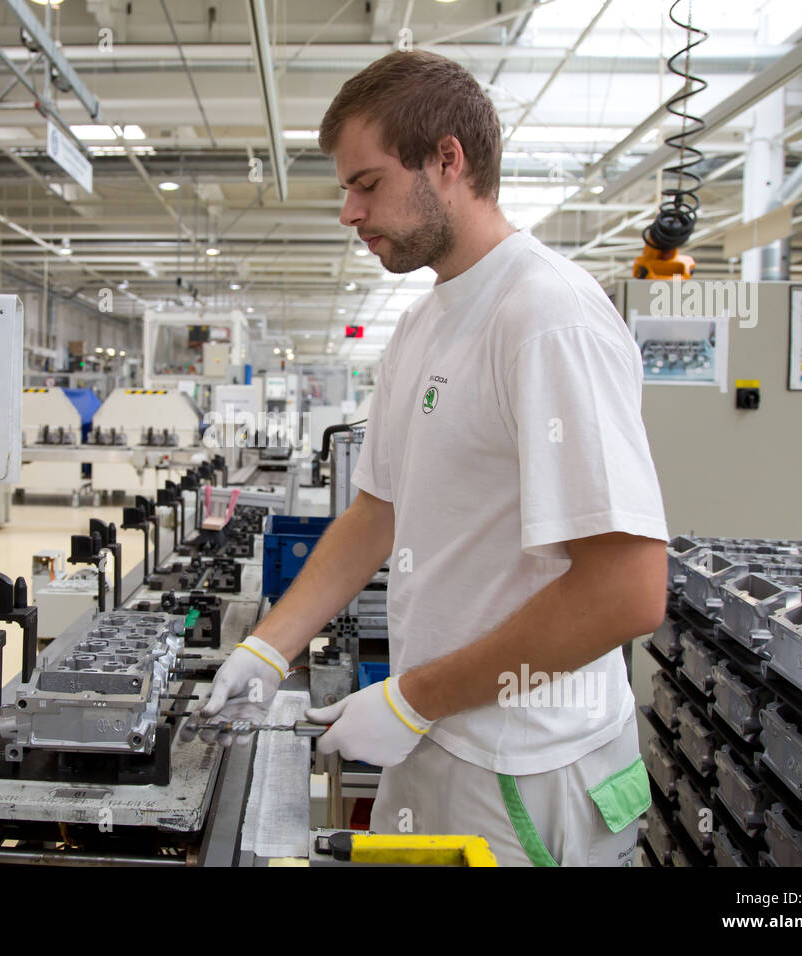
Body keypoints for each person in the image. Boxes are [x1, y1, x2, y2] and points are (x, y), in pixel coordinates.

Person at [188, 50, 669, 866]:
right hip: (436, 742)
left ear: (448, 161)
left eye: (367, 183)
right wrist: (270, 646)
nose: (349, 211)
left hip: (527, 765)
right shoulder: (422, 326)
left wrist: (411, 698)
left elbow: (627, 591)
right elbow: (377, 510)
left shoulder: (548, 317)